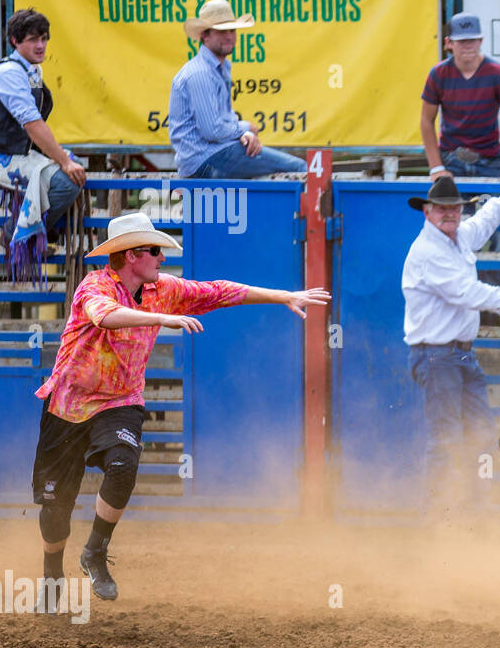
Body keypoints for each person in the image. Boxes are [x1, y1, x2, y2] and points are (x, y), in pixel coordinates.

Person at [31, 212, 330, 608]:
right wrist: (162, 318)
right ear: (131, 255)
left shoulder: (164, 289)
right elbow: (106, 317)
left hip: (119, 400)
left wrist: (283, 296)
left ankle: (95, 552)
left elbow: (219, 291)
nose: (162, 257)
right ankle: (53, 579)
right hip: (67, 405)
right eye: (155, 250)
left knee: (123, 466)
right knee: (55, 511)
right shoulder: (95, 286)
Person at [402, 175, 500, 507]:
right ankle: (441, 514)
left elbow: (485, 219)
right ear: (427, 212)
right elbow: (465, 292)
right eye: (442, 209)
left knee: (479, 434)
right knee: (447, 438)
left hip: (457, 356)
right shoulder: (428, 251)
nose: (449, 214)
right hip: (438, 356)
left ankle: (474, 508)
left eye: (454, 208)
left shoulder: (455, 239)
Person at [421, 12, 500, 288]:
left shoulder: (496, 73)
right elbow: (425, 121)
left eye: (472, 41)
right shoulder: (438, 75)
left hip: (489, 161)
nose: (467, 46)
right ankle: (463, 296)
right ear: (449, 43)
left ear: (480, 40)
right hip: (451, 163)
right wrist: (436, 167)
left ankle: (499, 301)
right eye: (461, 41)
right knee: (450, 229)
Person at [0, 8, 84, 267]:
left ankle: (38, 229)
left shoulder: (31, 71)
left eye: (44, 38)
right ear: (15, 41)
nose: (41, 45)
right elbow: (32, 124)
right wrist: (63, 161)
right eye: (33, 39)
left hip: (15, 154)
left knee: (73, 166)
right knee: (66, 181)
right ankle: (16, 235)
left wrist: (65, 158)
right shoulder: (9, 72)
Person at [169, 0, 306, 179]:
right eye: (221, 31)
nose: (229, 36)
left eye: (232, 30)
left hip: (210, 156)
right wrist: (245, 128)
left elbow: (222, 121)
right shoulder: (200, 73)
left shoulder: (219, 68)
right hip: (205, 160)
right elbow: (212, 130)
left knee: (295, 167)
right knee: (299, 168)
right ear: (205, 35)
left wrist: (242, 134)